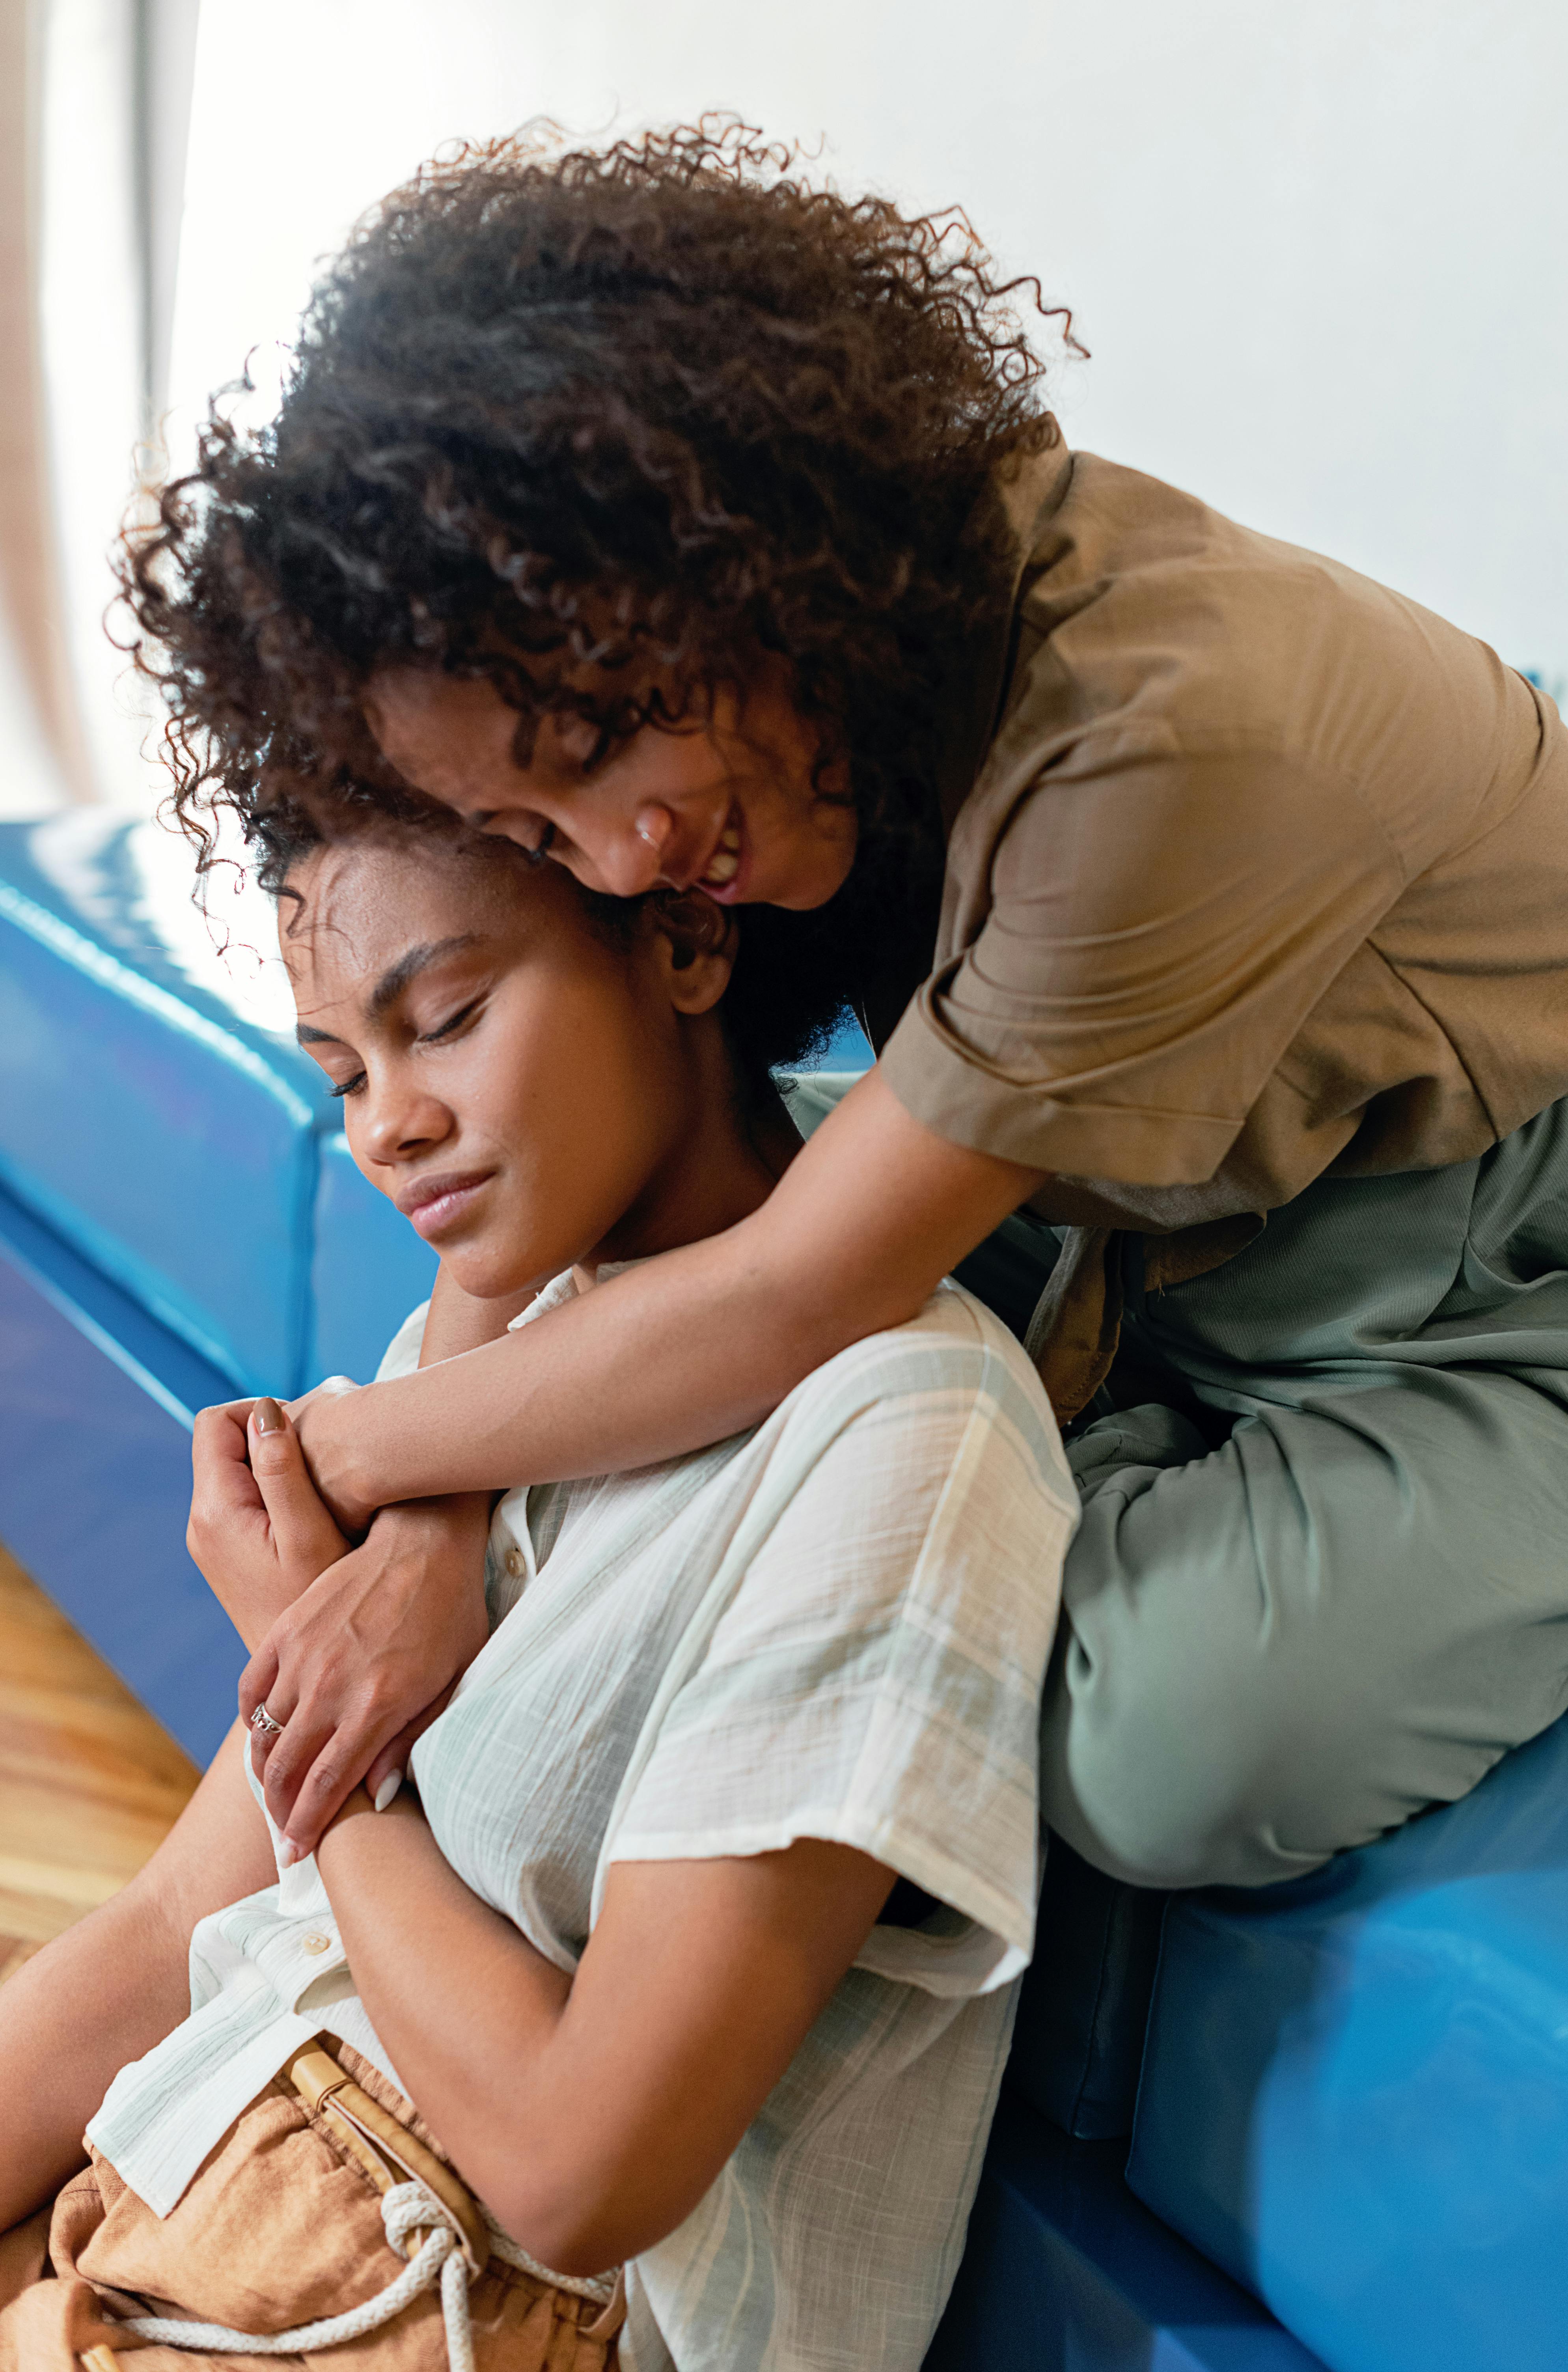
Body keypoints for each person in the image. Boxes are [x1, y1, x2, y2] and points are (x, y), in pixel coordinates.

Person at [127, 124, 1568, 1891]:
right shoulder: (799, 722)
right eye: (529, 829)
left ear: (722, 544)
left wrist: (342, 1454)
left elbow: (796, 1291)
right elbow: (575, 1208)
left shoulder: (1156, 737)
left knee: (1144, 1745)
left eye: (600, 749)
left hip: (1493, 1278)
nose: (623, 851)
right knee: (628, 1253)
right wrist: (435, 1518)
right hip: (1121, 1226)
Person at [0, 815, 1074, 2372]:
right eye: (342, 1075)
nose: (388, 1127)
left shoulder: (904, 1429)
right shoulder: (488, 1368)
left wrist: (344, 1763)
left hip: (431, 2305)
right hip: (173, 2203)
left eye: (442, 1021)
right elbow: (179, 1913)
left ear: (687, 944)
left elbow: (581, 2175)